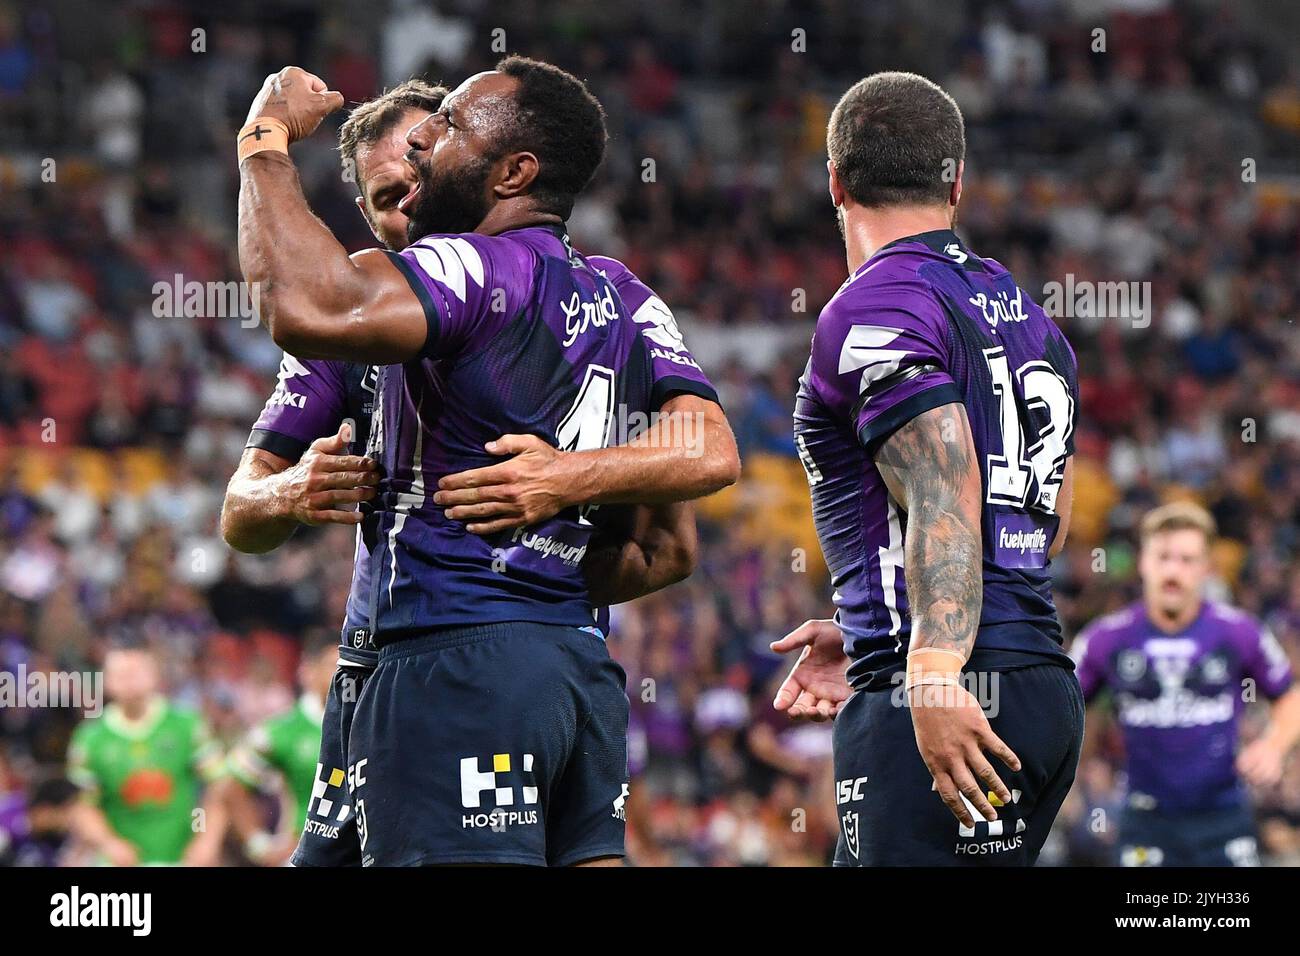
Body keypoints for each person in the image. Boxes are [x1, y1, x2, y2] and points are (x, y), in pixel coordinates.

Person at [234, 58, 739, 865]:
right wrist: (560, 522)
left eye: (448, 132)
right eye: (384, 197)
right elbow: (703, 462)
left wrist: (262, 139)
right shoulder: (624, 294)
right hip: (571, 669)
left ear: (513, 172)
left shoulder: (464, 266)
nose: (426, 152)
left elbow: (301, 304)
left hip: (450, 661)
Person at [775, 71, 1082, 865]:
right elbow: (1040, 527)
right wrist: (870, 621)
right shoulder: (1033, 321)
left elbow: (949, 496)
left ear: (835, 181)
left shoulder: (873, 304)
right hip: (1037, 682)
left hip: (947, 690)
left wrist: (933, 670)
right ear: (957, 184)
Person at [1072, 502, 1300, 866]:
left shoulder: (1239, 631)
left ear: (1207, 568)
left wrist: (1273, 746)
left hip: (1224, 816)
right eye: (1163, 557)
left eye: (1187, 559)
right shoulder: (1106, 638)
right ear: (1143, 562)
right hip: (1144, 819)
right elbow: (1060, 705)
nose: (1173, 570)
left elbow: (1289, 697)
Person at [66, 643, 227, 865]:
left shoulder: (187, 725)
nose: (130, 682)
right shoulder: (90, 739)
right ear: (107, 681)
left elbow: (217, 789)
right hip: (122, 861)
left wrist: (205, 839)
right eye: (121, 674)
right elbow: (84, 806)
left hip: (182, 856)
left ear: (155, 676)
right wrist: (109, 843)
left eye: (136, 673)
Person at [220, 630, 338, 866]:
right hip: (306, 853)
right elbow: (230, 786)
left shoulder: (370, 725)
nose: (344, 675)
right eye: (333, 665)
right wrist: (259, 845)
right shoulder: (281, 731)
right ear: (310, 671)